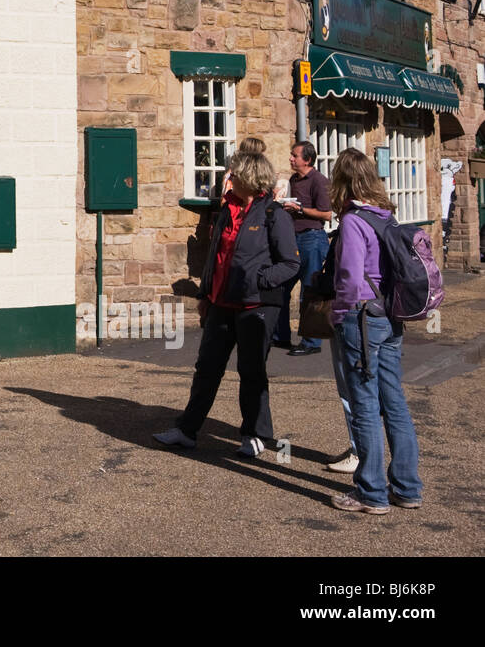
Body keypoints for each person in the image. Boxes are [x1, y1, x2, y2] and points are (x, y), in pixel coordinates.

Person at [154, 149, 300, 456]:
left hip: (256, 306)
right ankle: (187, 430)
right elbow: (215, 258)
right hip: (221, 303)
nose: (229, 178)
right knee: (206, 368)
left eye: (233, 174)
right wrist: (206, 295)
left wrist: (259, 279)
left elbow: (290, 264)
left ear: (249, 177)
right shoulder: (226, 211)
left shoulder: (274, 215)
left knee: (251, 371)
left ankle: (255, 434)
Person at [327, 148, 423, 514]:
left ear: (344, 180)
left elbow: (350, 276)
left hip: (361, 317)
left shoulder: (353, 220)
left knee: (365, 405)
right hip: (389, 315)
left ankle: (371, 492)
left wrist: (338, 315)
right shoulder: (385, 215)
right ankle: (407, 487)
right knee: (394, 401)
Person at [278, 141, 330, 356]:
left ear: (307, 160)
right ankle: (279, 336)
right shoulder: (293, 179)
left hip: (312, 239)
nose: (291, 158)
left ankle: (311, 342)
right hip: (293, 240)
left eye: (295, 156)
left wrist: (300, 209)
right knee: (280, 288)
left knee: (309, 292)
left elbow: (327, 214)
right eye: (291, 155)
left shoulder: (319, 181)